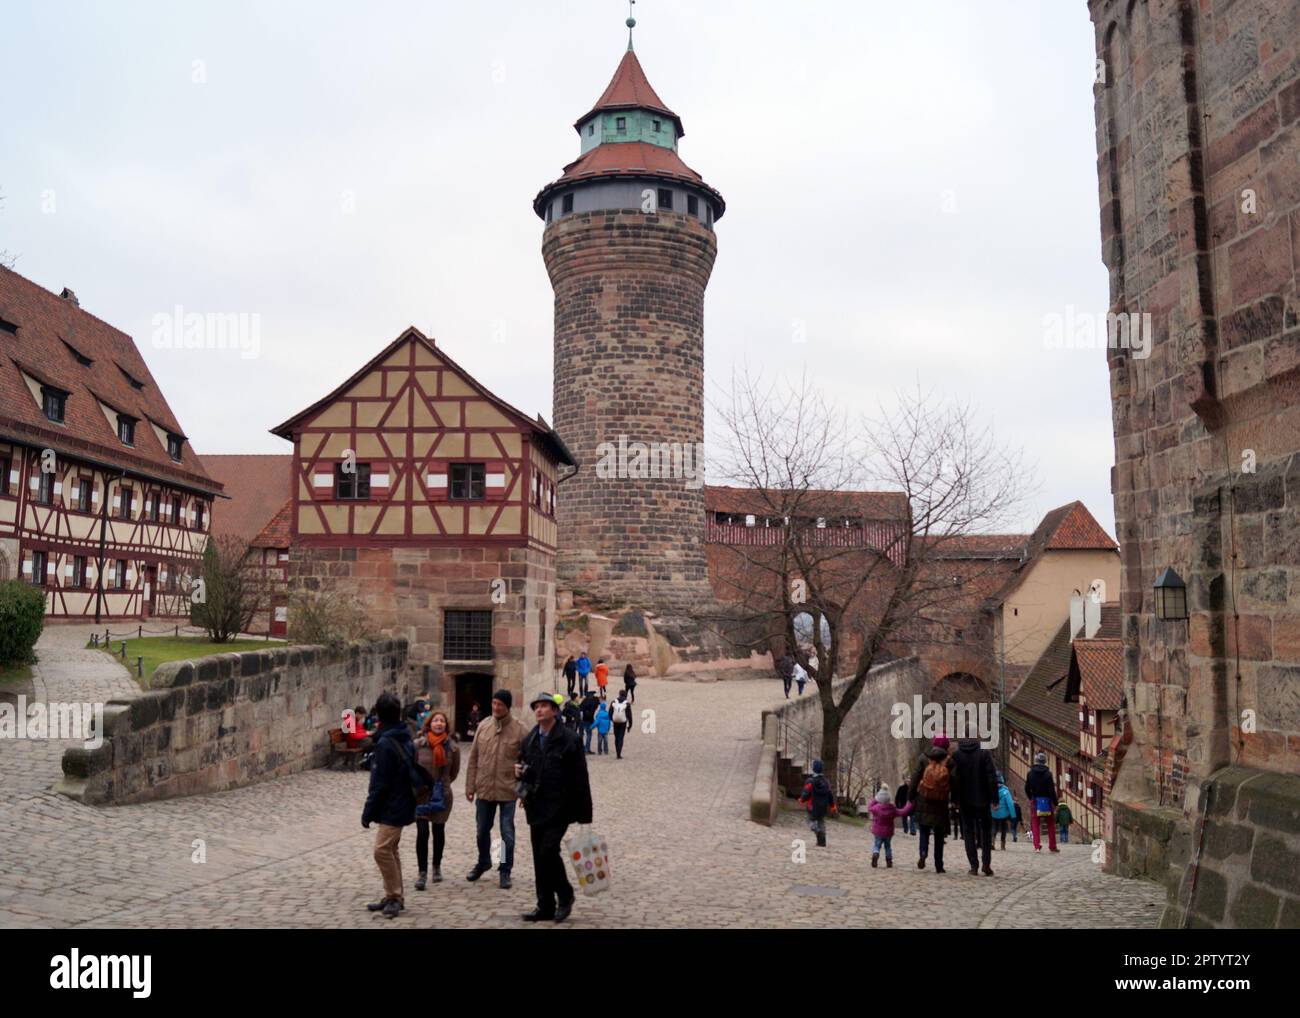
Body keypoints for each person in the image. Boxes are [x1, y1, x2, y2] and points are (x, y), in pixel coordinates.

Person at [516, 692, 593, 922]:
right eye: (536, 707)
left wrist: (585, 814)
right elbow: (525, 767)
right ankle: (545, 905)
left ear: (555, 711)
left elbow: (580, 777)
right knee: (539, 856)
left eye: (544, 706)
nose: (539, 710)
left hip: (561, 806)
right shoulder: (530, 739)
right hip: (536, 806)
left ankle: (565, 895)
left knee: (548, 851)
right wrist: (519, 773)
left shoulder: (569, 739)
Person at [361, 691, 420, 918]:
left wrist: (368, 811)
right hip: (402, 800)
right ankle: (392, 894)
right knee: (391, 849)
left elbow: (379, 782)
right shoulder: (404, 735)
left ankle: (395, 896)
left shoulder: (387, 742)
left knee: (382, 850)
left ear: (379, 715)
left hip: (393, 804)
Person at [465, 689, 527, 889]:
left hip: (508, 789)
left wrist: (524, 792)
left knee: (506, 832)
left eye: (500, 704)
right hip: (484, 787)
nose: (496, 707)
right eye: (494, 703)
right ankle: (484, 861)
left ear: (507, 706)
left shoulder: (520, 730)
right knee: (482, 830)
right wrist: (470, 785)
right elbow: (473, 757)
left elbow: (529, 763)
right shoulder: (483, 726)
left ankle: (504, 869)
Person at [413, 709, 459, 889]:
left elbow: (454, 772)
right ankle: (422, 872)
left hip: (442, 795)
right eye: (435, 720)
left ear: (446, 725)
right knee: (422, 831)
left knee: (438, 831)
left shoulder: (453, 748)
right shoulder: (418, 745)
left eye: (442, 721)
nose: (439, 723)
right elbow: (412, 768)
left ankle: (436, 866)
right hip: (422, 795)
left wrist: (442, 786)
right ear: (429, 724)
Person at [952, 737, 998, 876]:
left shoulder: (957, 755)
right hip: (982, 798)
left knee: (968, 832)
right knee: (986, 831)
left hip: (965, 799)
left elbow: (954, 778)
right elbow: (991, 777)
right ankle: (986, 864)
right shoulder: (984, 752)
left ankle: (973, 865)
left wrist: (954, 798)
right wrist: (994, 798)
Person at [909, 736, 954, 873]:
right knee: (939, 834)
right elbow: (955, 780)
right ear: (946, 746)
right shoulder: (949, 761)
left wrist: (911, 796)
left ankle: (923, 852)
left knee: (924, 829)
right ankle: (938, 864)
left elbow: (915, 777)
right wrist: (954, 799)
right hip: (941, 801)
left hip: (924, 798)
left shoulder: (924, 758)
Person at [868, 786, 912, 868]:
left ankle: (876, 853)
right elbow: (903, 812)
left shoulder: (876, 808)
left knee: (877, 845)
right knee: (888, 846)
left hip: (878, 831)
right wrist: (909, 804)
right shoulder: (892, 809)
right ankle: (889, 861)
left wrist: (875, 799)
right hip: (888, 832)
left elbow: (870, 807)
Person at [1024, 752, 1060, 853]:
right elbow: (1052, 790)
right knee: (1050, 824)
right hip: (1047, 801)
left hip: (1035, 800)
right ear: (1045, 762)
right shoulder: (1048, 774)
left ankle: (1037, 846)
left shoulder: (1030, 773)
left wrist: (1031, 797)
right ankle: (1052, 846)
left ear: (1036, 761)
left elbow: (1026, 788)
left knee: (1035, 823)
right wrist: (1055, 803)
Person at [799, 759, 837, 847]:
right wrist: (832, 805)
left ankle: (817, 831)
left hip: (812, 806)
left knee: (810, 820)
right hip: (823, 807)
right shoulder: (826, 782)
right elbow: (830, 794)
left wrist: (802, 799)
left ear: (813, 768)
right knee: (821, 821)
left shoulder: (810, 781)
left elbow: (806, 792)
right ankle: (822, 841)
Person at [990, 772, 1015, 851]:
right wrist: (1013, 815)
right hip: (1004, 814)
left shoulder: (991, 790)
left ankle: (992, 842)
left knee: (994, 828)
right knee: (1003, 829)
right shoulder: (1005, 792)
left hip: (994, 813)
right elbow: (1010, 804)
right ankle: (1002, 845)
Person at [609, 690, 632, 759]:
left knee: (616, 737)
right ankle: (619, 754)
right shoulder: (627, 704)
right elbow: (629, 716)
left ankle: (617, 752)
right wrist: (630, 725)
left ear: (619, 694)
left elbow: (610, 713)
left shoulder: (613, 702)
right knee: (621, 737)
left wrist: (611, 720)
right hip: (623, 722)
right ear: (625, 695)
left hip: (615, 721)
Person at [579, 689, 599, 754]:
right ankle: (587, 749)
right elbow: (592, 712)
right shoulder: (594, 702)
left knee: (581, 735)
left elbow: (579, 708)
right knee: (589, 734)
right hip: (588, 720)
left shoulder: (584, 701)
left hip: (581, 720)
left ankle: (580, 748)